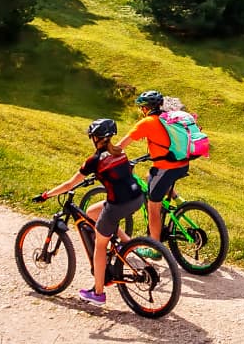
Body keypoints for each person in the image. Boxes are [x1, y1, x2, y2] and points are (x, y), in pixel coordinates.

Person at [35, 118, 144, 306]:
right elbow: (117, 173)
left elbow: (70, 184)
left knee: (100, 246)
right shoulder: (120, 151)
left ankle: (98, 293)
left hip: (118, 204)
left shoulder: (94, 161)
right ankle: (127, 245)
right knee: (93, 212)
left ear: (95, 138)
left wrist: (46, 195)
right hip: (137, 198)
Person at [114, 90, 190, 247]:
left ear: (145, 108)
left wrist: (103, 155)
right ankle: (179, 201)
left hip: (167, 168)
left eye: (142, 108)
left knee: (153, 206)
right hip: (183, 164)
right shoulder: (167, 118)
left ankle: (155, 247)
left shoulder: (146, 122)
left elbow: (119, 147)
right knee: (151, 175)